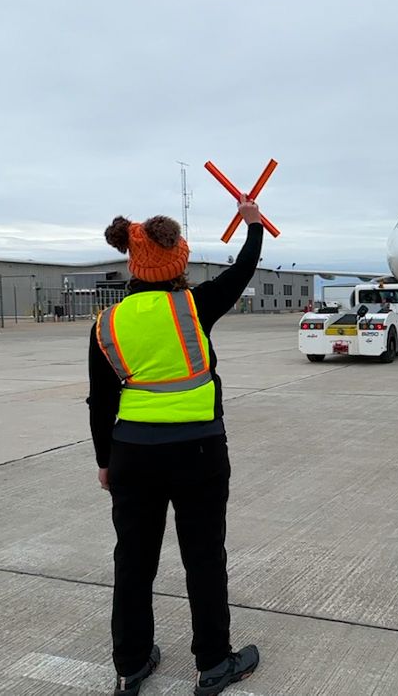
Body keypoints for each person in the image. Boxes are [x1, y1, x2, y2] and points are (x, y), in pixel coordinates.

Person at [87, 200, 264, 696]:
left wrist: (105, 462)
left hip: (131, 457)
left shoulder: (106, 323)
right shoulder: (196, 305)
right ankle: (212, 665)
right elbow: (244, 268)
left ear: (132, 265)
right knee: (204, 558)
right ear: (177, 261)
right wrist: (252, 224)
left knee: (133, 562)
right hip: (199, 453)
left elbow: (101, 402)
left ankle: (131, 666)